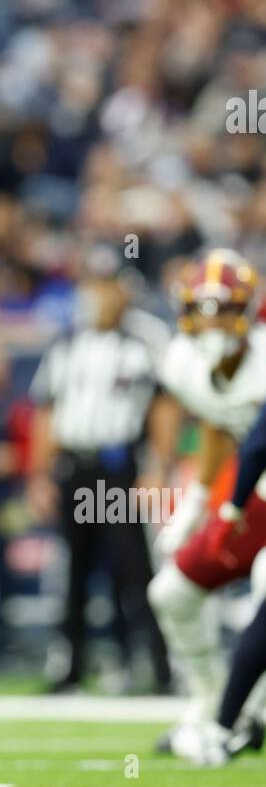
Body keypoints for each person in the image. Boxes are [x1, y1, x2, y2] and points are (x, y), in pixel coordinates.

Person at [28, 246, 174, 693]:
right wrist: (38, 475)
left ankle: (161, 668)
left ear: (124, 289)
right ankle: (69, 668)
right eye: (94, 285)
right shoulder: (68, 342)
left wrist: (157, 468)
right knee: (73, 570)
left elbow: (164, 407)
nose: (101, 295)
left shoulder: (144, 340)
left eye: (109, 285)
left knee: (135, 570)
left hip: (117, 466)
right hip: (75, 465)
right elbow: (46, 410)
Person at [147, 249, 266, 759]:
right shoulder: (180, 361)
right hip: (252, 492)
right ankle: (207, 698)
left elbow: (257, 441)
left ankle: (245, 714)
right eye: (205, 309)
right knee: (170, 592)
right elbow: (219, 424)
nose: (214, 322)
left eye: (225, 310)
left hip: (251, 494)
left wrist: (225, 511)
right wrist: (196, 504)